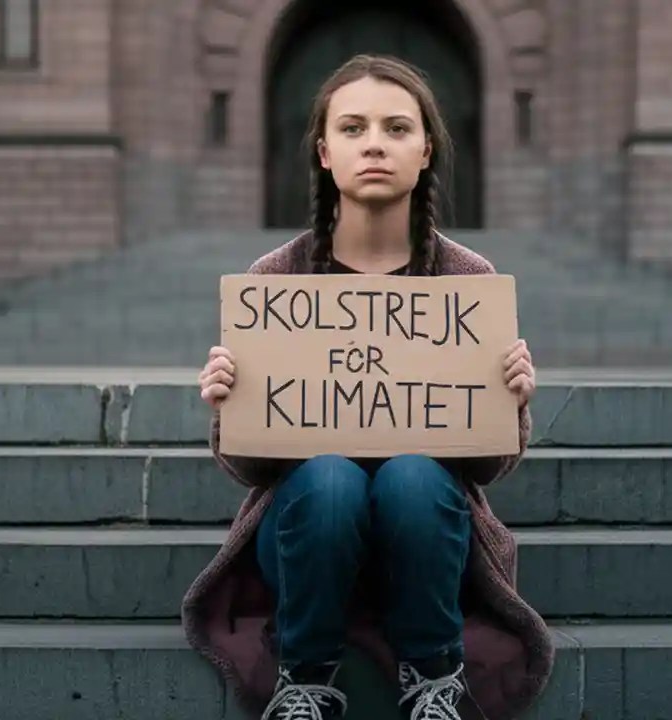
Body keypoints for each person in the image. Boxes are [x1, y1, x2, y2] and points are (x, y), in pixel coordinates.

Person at [181, 54, 554, 720]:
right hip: (307, 533)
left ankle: (434, 675)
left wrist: (511, 401)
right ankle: (306, 677)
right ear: (325, 153)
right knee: (329, 480)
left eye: (396, 128)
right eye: (353, 128)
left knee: (411, 477)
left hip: (429, 531)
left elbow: (489, 465)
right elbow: (247, 468)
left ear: (426, 149)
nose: (375, 143)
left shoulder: (469, 280)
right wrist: (228, 403)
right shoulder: (276, 278)